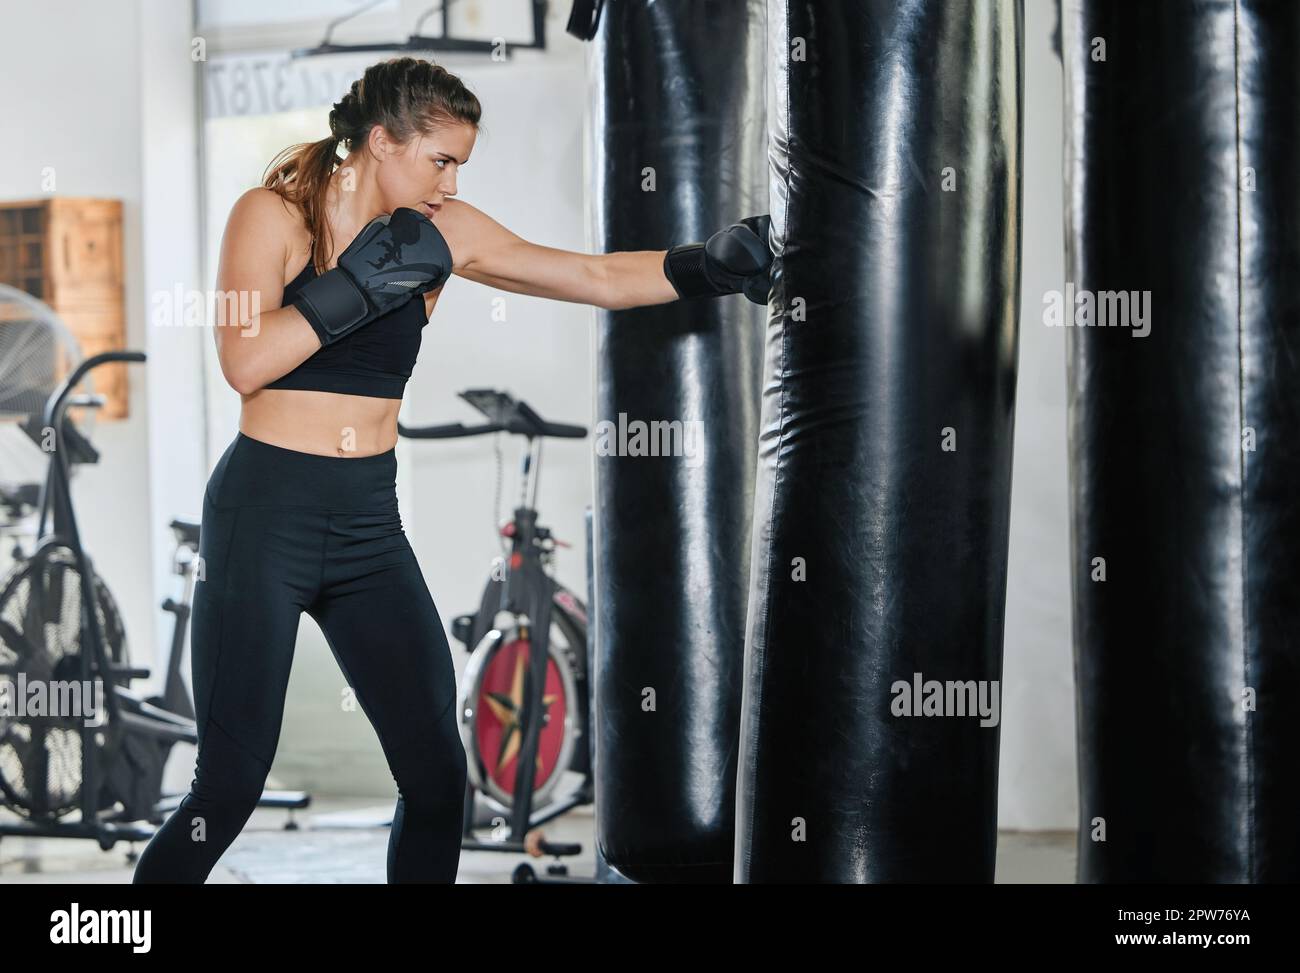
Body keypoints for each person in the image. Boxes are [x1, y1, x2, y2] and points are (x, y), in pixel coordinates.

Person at [132, 55, 771, 884]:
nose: (451, 183)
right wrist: (355, 286)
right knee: (226, 788)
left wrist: (709, 266)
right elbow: (243, 359)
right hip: (264, 517)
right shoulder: (274, 214)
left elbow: (595, 277)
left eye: (461, 164)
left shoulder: (445, 230)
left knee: (438, 779)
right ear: (379, 142)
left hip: (367, 525)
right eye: (441, 159)